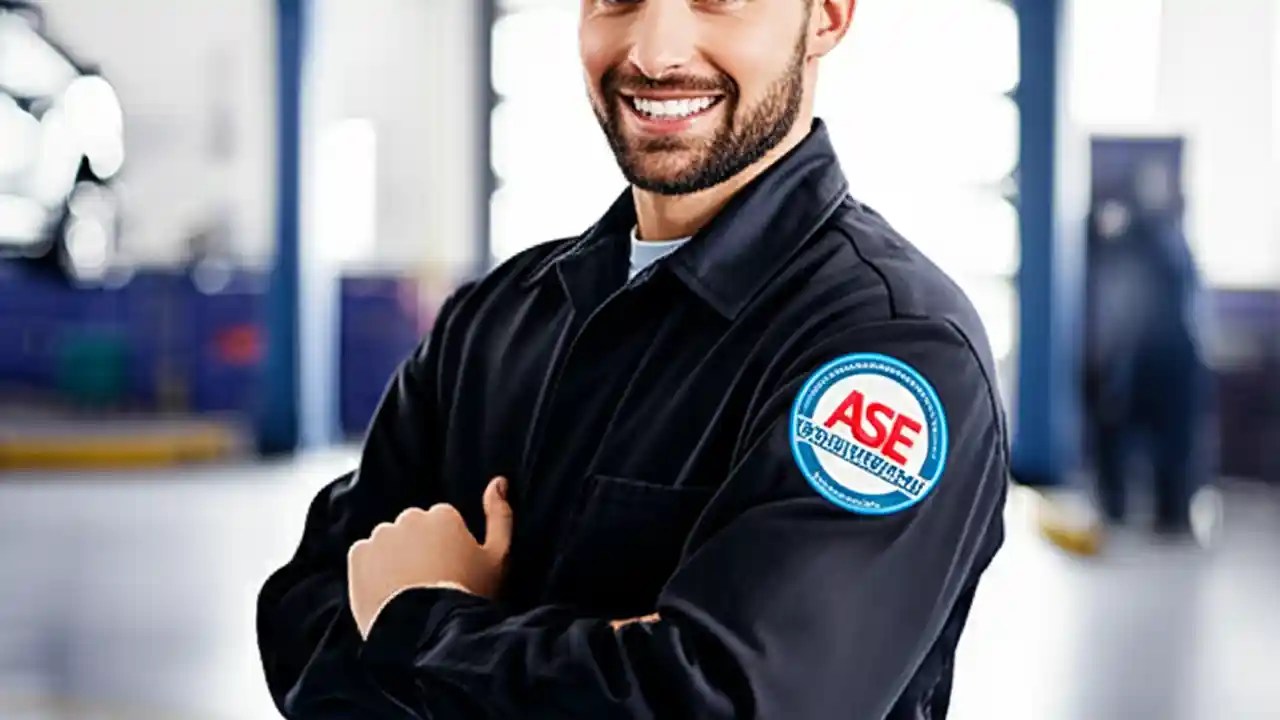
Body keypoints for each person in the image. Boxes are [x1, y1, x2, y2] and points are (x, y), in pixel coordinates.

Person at [257, 1, 1009, 717]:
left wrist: (416, 619)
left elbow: (731, 703)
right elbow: (302, 626)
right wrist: (610, 662)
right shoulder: (494, 321)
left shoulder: (889, 351)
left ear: (828, 17)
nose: (653, 52)